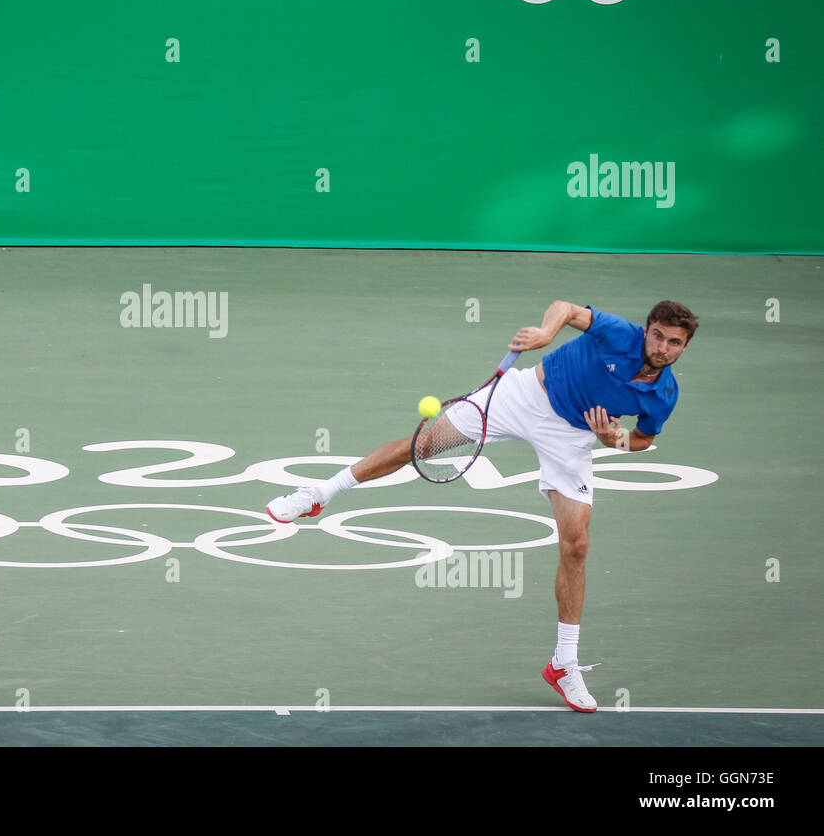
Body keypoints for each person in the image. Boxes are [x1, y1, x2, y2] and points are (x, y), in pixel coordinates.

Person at [265, 300, 698, 713]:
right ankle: (317, 495)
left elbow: (643, 438)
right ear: (646, 331)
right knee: (420, 446)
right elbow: (566, 309)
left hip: (570, 437)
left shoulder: (664, 394)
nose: (662, 348)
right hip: (521, 396)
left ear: (684, 347)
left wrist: (613, 440)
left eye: (673, 342)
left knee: (577, 545)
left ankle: (563, 664)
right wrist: (547, 332)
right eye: (657, 336)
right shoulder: (619, 334)